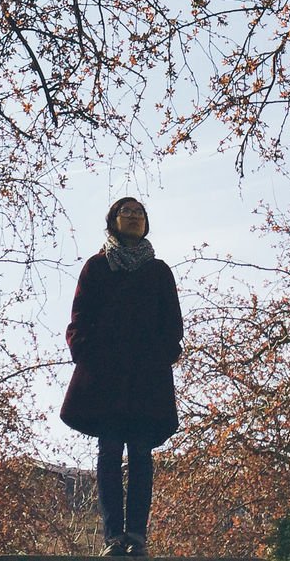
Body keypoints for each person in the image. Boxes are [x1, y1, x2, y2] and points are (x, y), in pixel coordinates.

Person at [60, 197, 183, 557]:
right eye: (125, 212)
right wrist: (85, 352)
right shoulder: (97, 267)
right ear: (112, 220)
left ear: (146, 223)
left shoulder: (159, 271)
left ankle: (137, 537)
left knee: (142, 455)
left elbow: (172, 321)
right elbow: (78, 318)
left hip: (147, 378)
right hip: (106, 377)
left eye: (139, 213)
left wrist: (164, 354)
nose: (133, 216)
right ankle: (114, 536)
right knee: (110, 451)